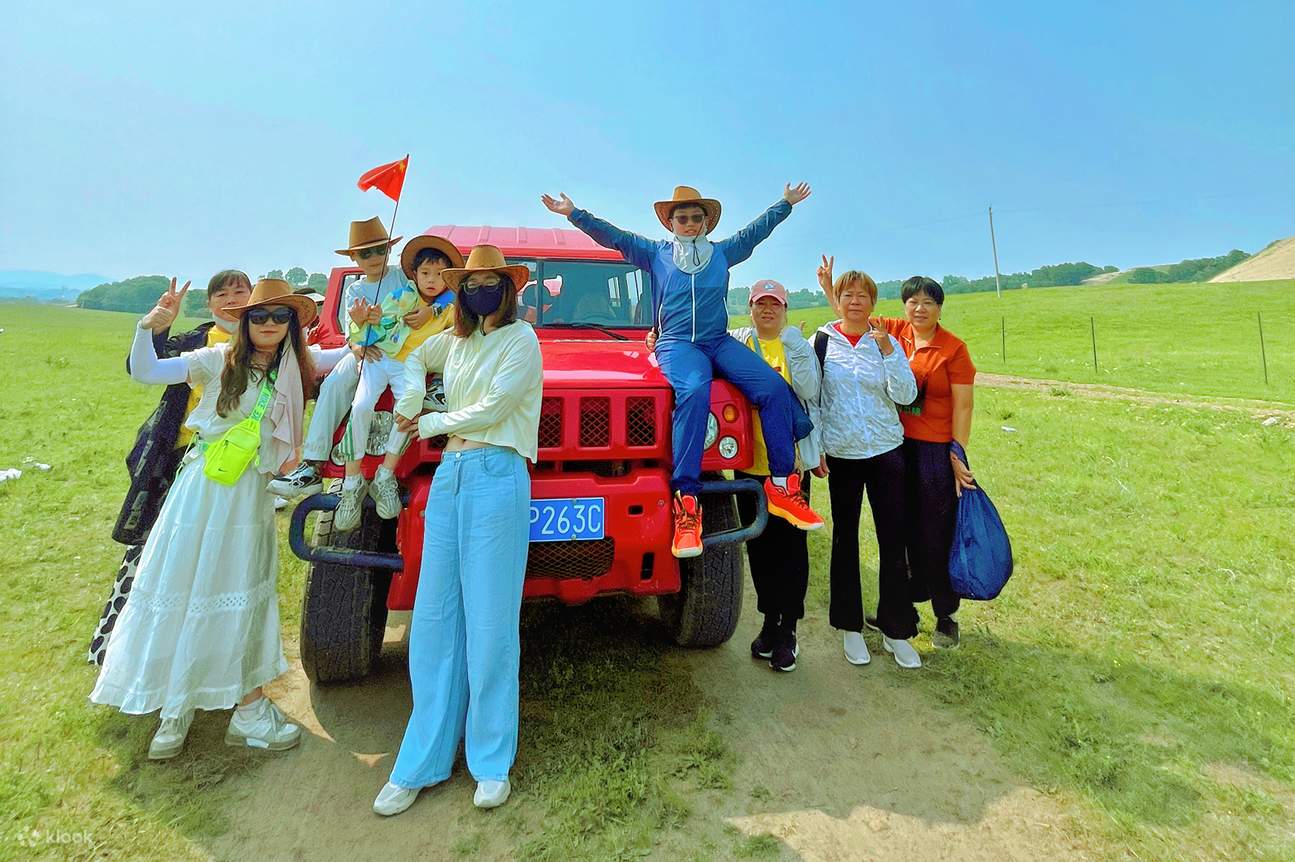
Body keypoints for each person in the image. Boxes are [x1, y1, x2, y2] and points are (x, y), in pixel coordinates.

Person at [90, 278, 345, 759]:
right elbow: (146, 371)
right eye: (260, 315)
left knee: (230, 586)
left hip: (248, 494)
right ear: (244, 321)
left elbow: (352, 356)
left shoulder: (296, 367)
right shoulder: (216, 358)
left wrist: (375, 329)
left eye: (280, 316)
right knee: (186, 584)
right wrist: (150, 326)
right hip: (206, 489)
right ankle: (176, 707)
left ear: (292, 324)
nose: (269, 324)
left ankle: (234, 709)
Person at [540, 184, 824, 559]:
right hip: (676, 343)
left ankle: (781, 486)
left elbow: (755, 232)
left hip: (717, 339)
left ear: (705, 222)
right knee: (694, 391)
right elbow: (612, 236)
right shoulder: (654, 254)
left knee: (772, 386)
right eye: (682, 218)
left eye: (695, 217)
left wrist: (784, 204)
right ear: (671, 222)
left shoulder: (722, 254)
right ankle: (687, 504)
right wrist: (575, 214)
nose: (689, 223)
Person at [372, 244, 541, 816]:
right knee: (434, 617)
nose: (481, 290)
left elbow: (497, 407)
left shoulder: (522, 340)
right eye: (472, 283)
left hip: (498, 471)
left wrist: (432, 421)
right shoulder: (457, 340)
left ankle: (491, 761)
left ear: (507, 288)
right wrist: (416, 394)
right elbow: (415, 356)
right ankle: (422, 758)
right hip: (451, 475)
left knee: (491, 621)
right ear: (461, 290)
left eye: (491, 282)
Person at [89, 270, 252, 666]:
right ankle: (117, 648)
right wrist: (153, 329)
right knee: (151, 547)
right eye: (222, 294)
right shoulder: (196, 342)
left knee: (217, 557)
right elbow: (141, 366)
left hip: (236, 466)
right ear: (209, 304)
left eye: (240, 291)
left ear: (254, 297)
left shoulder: (266, 340)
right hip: (178, 458)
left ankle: (202, 654)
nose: (231, 299)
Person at [820, 263, 976, 648]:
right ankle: (900, 608)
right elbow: (851, 315)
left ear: (940, 307)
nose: (919, 309)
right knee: (900, 532)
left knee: (934, 530)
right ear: (904, 307)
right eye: (912, 302)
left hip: (934, 450)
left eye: (928, 303)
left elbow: (964, 407)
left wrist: (958, 452)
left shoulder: (953, 349)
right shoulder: (895, 333)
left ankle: (945, 614)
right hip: (891, 445)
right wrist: (828, 287)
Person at [268, 218, 417, 532]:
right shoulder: (355, 289)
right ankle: (313, 462)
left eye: (380, 249)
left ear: (390, 250)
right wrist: (356, 341)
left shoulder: (403, 277)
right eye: (366, 253)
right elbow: (353, 330)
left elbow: (414, 310)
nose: (374, 257)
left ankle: (381, 474)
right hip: (366, 350)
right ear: (354, 259)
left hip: (398, 350)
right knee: (335, 382)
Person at [811, 266, 922, 669]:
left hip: (887, 451)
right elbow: (813, 399)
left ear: (873, 303)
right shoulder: (821, 342)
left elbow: (907, 394)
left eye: (863, 295)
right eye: (848, 294)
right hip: (843, 453)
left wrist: (891, 354)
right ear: (837, 300)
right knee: (845, 540)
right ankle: (850, 627)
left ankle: (896, 629)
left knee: (894, 539)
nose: (855, 301)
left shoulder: (887, 343)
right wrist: (817, 447)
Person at [727, 280, 822, 672]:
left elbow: (810, 389)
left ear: (785, 309)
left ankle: (789, 630)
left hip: (790, 470)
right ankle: (768, 622)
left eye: (774, 304)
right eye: (760, 303)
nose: (767, 310)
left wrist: (797, 344)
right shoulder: (738, 343)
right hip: (749, 466)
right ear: (749, 308)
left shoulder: (794, 346)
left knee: (791, 550)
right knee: (759, 547)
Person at [364, 234, 465, 518]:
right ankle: (374, 475)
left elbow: (461, 305)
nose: (432, 279)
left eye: (439, 274)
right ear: (415, 274)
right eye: (425, 273)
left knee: (411, 409)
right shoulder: (402, 298)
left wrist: (434, 308)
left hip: (431, 374)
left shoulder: (452, 306)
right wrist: (360, 336)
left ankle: (389, 472)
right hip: (396, 364)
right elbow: (379, 324)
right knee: (390, 410)